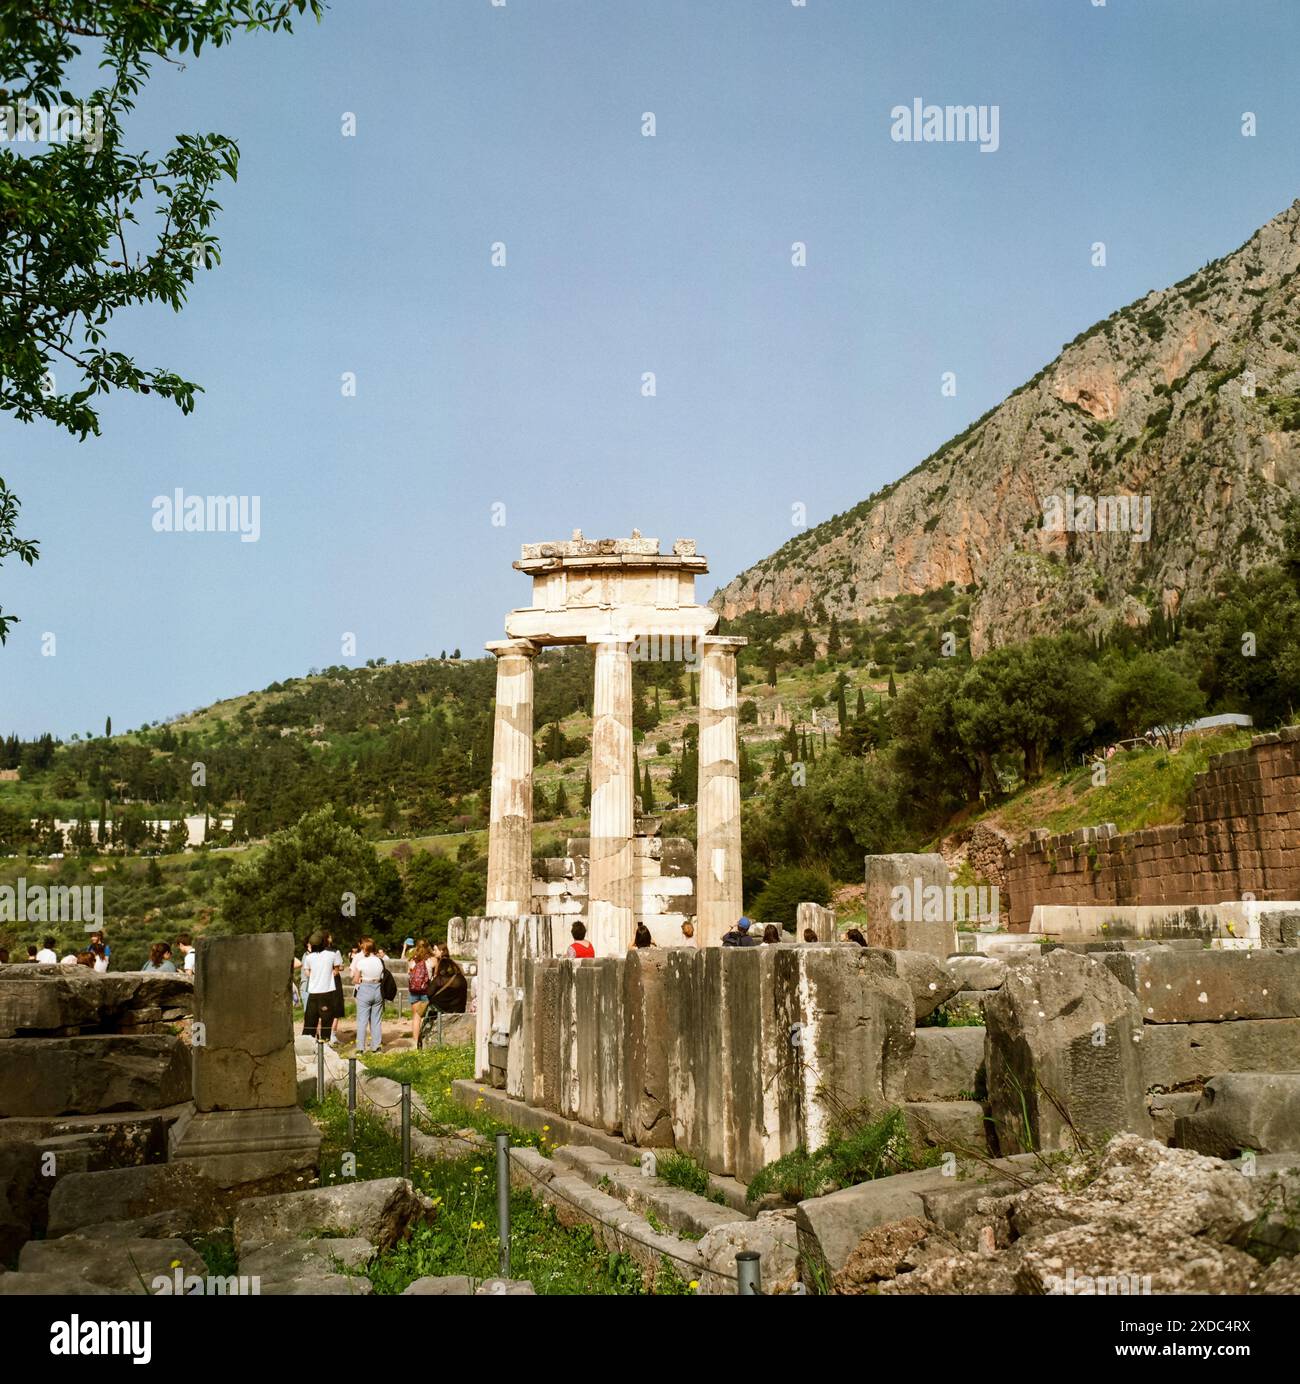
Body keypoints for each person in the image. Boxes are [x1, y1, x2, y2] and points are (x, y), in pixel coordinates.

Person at [301, 933, 341, 1041]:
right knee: (326, 1022)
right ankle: (325, 1046)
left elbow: (307, 973)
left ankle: (307, 1046)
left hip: (313, 994)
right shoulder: (332, 955)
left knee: (310, 1022)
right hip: (327, 993)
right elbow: (336, 971)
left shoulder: (308, 957)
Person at [351, 935, 385, 1054]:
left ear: (364, 949)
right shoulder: (380, 961)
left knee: (362, 1020)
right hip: (378, 989)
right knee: (376, 1020)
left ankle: (360, 1047)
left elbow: (355, 980)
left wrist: (359, 979)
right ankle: (377, 1046)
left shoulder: (362, 962)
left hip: (365, 988)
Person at [406, 940, 434, 1045]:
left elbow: (409, 975)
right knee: (425, 1017)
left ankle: (415, 1042)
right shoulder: (432, 961)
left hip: (414, 992)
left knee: (416, 1017)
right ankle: (424, 1040)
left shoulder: (412, 961)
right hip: (426, 991)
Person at [324, 931, 345, 1045]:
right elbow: (338, 970)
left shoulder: (315, 953)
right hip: (333, 981)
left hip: (321, 982)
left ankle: (323, 1034)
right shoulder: (335, 952)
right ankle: (332, 1035)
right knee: (336, 1008)